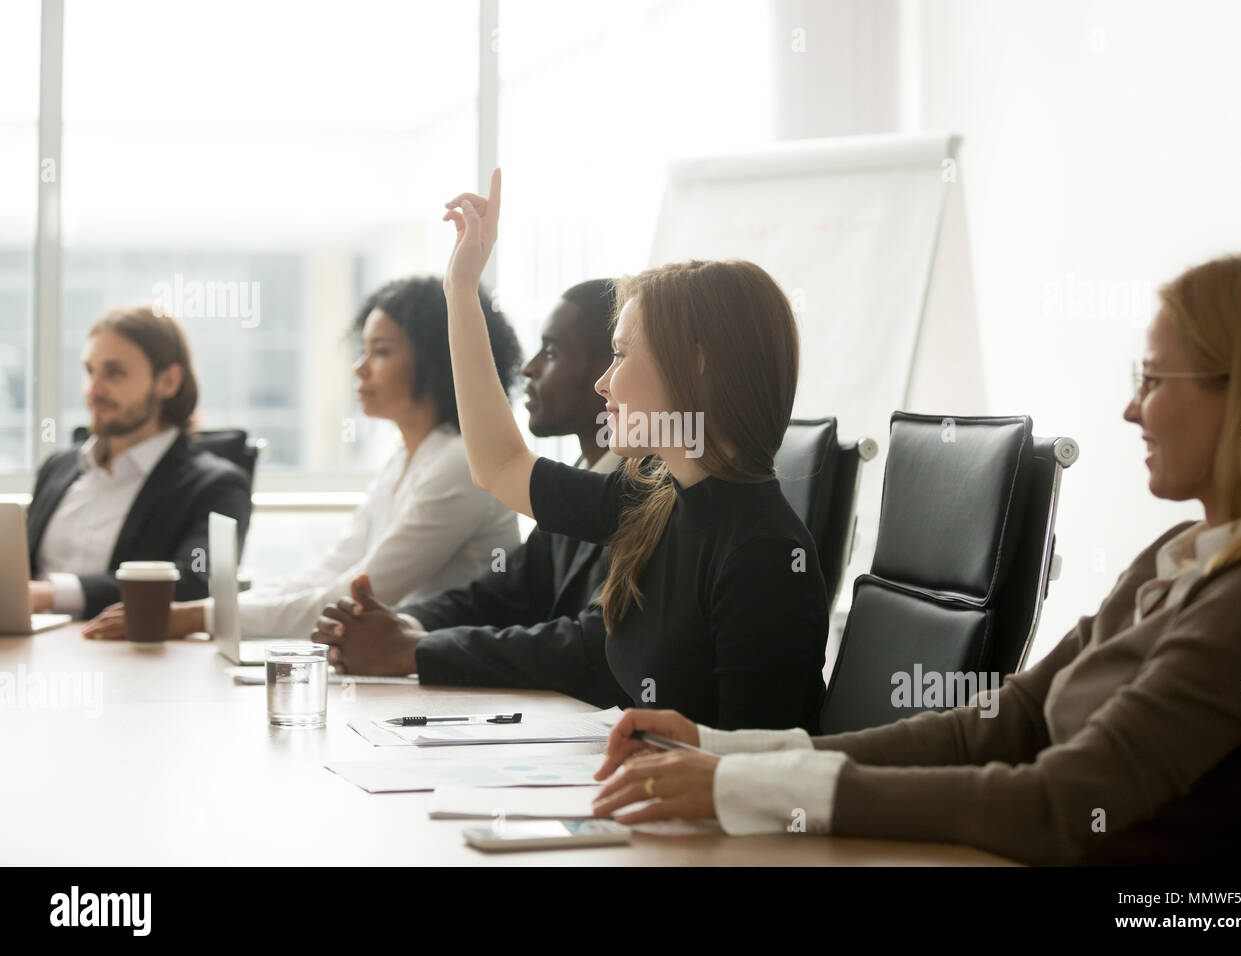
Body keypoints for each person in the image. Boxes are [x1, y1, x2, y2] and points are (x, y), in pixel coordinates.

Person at [591, 253, 1241, 866]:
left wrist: (738, 787)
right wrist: (728, 753)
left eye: (1153, 379)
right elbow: (998, 722)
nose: (1129, 410)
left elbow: (1063, 803)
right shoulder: (1176, 558)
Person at [432, 169, 827, 731]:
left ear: (695, 363)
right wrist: (461, 292)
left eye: (621, 355)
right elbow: (498, 465)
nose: (603, 383)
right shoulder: (652, 501)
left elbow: (758, 772)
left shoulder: (763, 554)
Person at [81, 276, 522, 641]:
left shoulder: (459, 464)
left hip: (463, 687)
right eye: (362, 350)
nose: (360, 368)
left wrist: (197, 618)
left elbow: (353, 596)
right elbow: (325, 572)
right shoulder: (406, 459)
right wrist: (210, 612)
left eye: (381, 351)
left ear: (438, 360)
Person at [312, 280, 631, 707]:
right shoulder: (584, 477)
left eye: (552, 352)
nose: (529, 369)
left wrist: (410, 647)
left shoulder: (646, 491)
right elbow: (501, 593)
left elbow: (589, 645)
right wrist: (401, 625)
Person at [27, 305, 251, 620]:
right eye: (90, 371)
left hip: (124, 655)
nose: (93, 390)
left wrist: (49, 595)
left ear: (168, 382)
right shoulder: (58, 467)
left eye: (114, 373)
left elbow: (196, 581)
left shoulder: (215, 486)